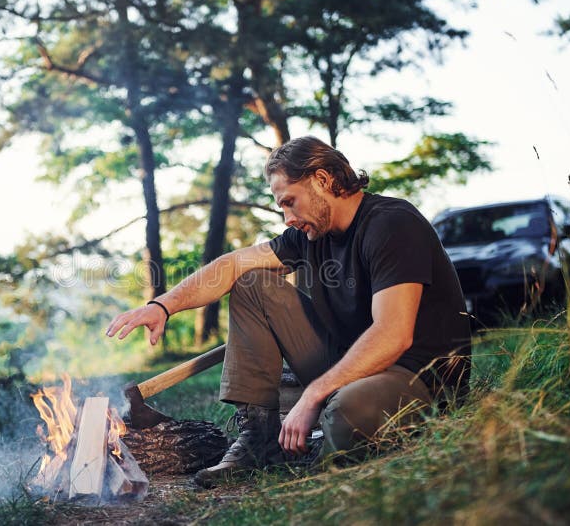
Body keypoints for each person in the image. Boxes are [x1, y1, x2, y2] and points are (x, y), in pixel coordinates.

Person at [106, 136, 471, 487]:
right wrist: (162, 305)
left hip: (416, 375)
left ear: (323, 180)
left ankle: (320, 448)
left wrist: (313, 394)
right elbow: (232, 266)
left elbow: (393, 334)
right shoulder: (310, 235)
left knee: (347, 412)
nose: (287, 217)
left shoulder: (392, 223)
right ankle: (260, 440)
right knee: (252, 284)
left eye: (289, 201)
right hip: (352, 361)